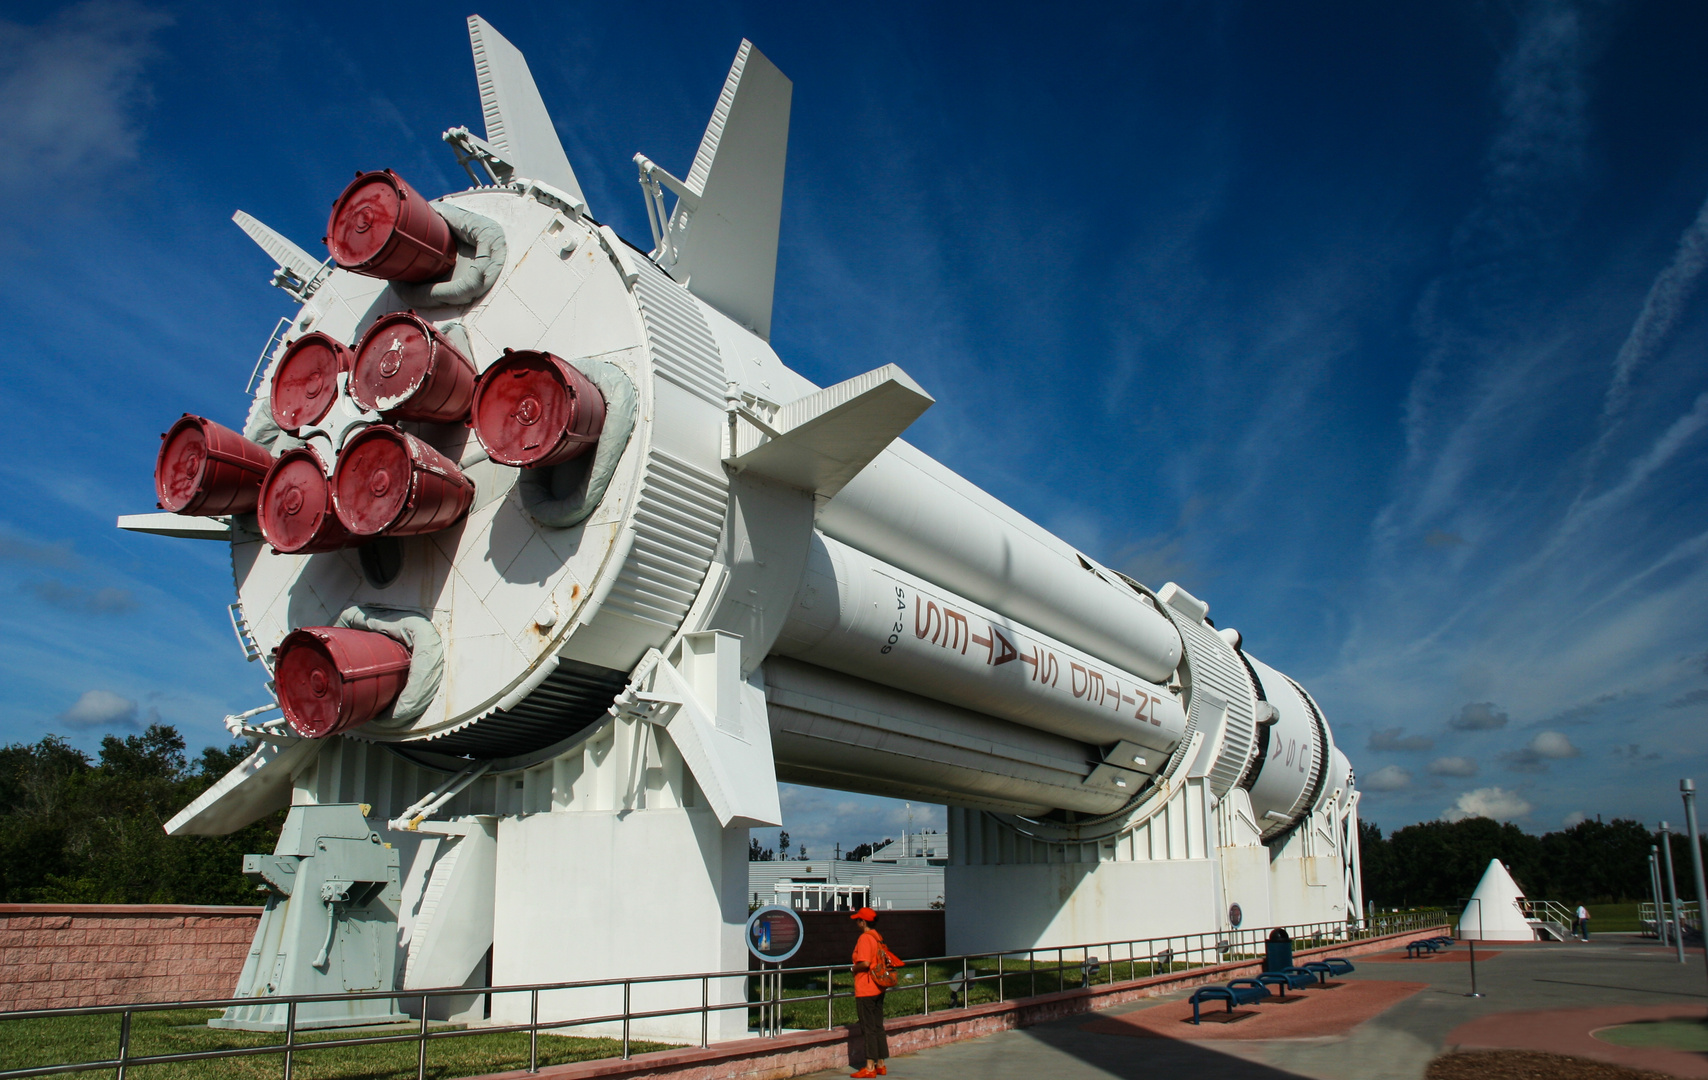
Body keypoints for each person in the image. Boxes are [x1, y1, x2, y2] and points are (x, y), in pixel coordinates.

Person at [849, 906, 901, 1078]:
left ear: (863, 922)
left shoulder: (865, 938)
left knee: (868, 1027)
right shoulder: (878, 937)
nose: (857, 922)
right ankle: (881, 1064)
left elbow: (864, 962)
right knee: (878, 1026)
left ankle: (869, 1067)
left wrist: (853, 969)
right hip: (879, 986)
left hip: (866, 987)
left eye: (858, 920)